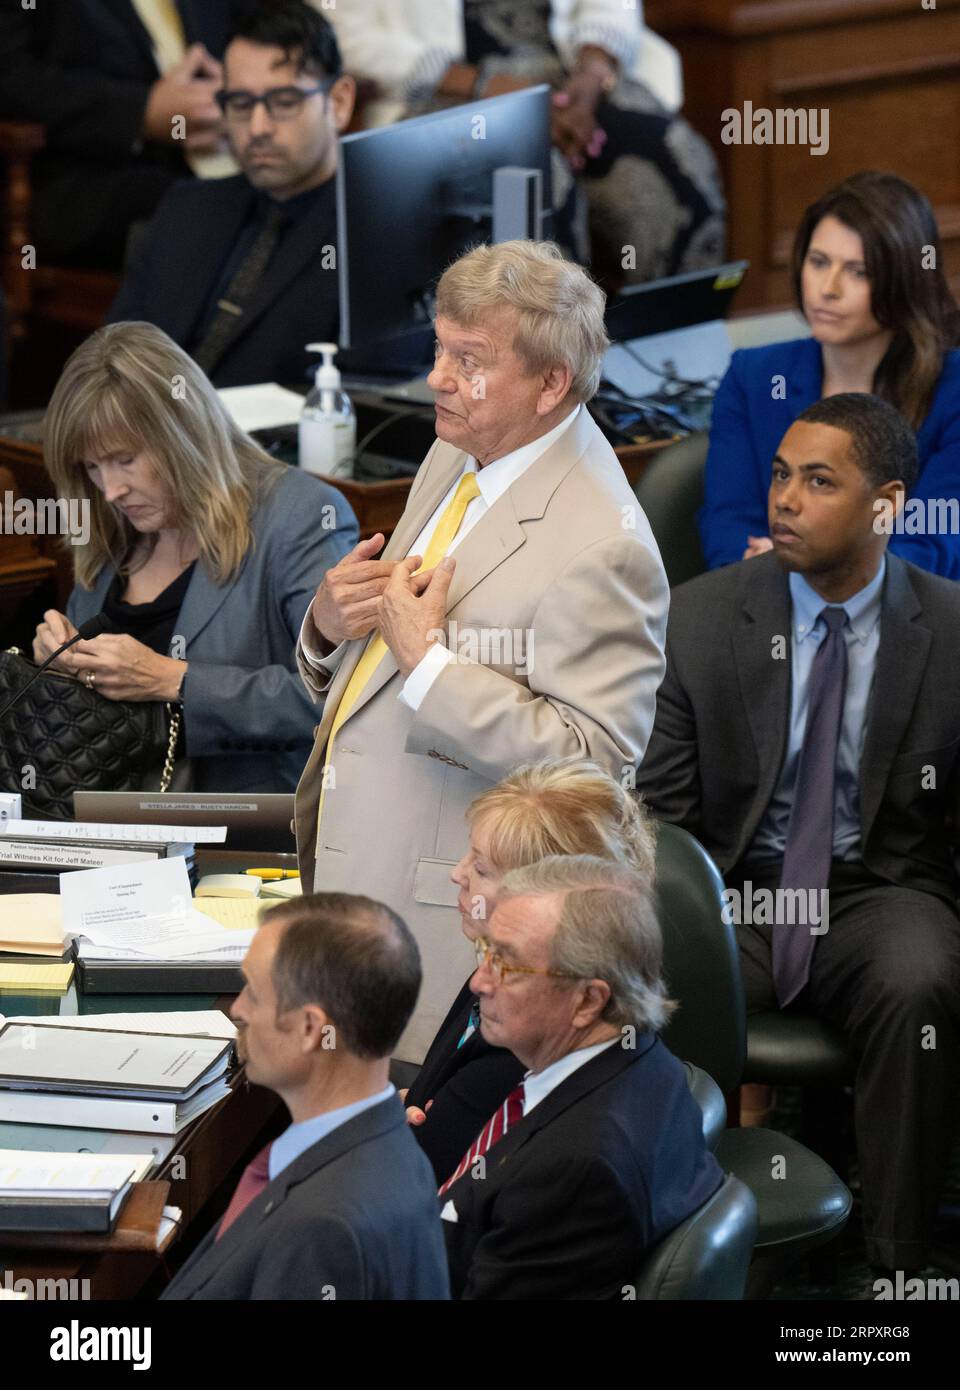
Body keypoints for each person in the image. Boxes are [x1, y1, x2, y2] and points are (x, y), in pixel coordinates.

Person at [295, 239, 669, 1062]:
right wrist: (327, 625)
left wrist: (431, 666)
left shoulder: (606, 545)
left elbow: (594, 769)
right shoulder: (457, 448)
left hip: (447, 933)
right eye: (439, 348)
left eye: (468, 359)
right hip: (358, 891)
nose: (435, 378)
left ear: (550, 384)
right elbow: (380, 653)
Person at [638, 392, 960, 1277]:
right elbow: (662, 818)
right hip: (737, 885)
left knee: (920, 980)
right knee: (648, 974)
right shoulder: (702, 619)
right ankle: (682, 1244)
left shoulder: (951, 629)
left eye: (819, 482)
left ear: (887, 505)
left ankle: (897, 1267)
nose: (784, 499)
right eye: (781, 476)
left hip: (879, 885)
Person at [34, 321, 357, 793]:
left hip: (248, 842)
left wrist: (174, 680)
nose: (111, 489)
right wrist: (61, 664)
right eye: (91, 467)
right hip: (109, 822)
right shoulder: (114, 523)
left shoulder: (299, 515)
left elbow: (335, 698)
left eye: (124, 459)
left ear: (182, 434)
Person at [440, 854, 722, 1299]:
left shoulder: (574, 1172)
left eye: (507, 965)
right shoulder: (652, 1065)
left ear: (589, 1000)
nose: (481, 982)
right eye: (486, 952)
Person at [162, 893, 450, 1300]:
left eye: (254, 993)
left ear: (311, 1029)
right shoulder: (385, 1147)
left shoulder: (323, 1231)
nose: (239, 1009)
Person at [324, 0, 724, 284]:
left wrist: (589, 78)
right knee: (537, 180)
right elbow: (342, 32)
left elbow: (611, 7)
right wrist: (488, 85)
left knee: (677, 158)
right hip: (444, 89)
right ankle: (560, 379)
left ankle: (669, 365)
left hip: (571, 76)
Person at [405, 756, 657, 1183]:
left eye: (481, 868)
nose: (456, 874)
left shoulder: (520, 1044)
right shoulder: (501, 973)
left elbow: (425, 1180)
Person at [699, 171, 960, 579]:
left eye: (859, 272)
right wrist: (770, 577)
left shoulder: (952, 390)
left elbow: (937, 548)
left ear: (905, 278)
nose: (829, 288)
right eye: (819, 263)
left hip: (910, 624)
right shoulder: (754, 376)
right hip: (767, 613)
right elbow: (728, 525)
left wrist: (816, 575)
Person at [107, 3, 353, 388]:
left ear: (337, 102)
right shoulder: (185, 208)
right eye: (240, 104)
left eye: (284, 102)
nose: (257, 128)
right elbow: (116, 359)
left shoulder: (371, 232)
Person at [0, 1, 235, 269]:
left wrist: (241, 88)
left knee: (277, 196)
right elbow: (11, 80)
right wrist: (141, 113)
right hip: (81, 175)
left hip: (222, 153)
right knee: (214, 211)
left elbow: (251, 34)